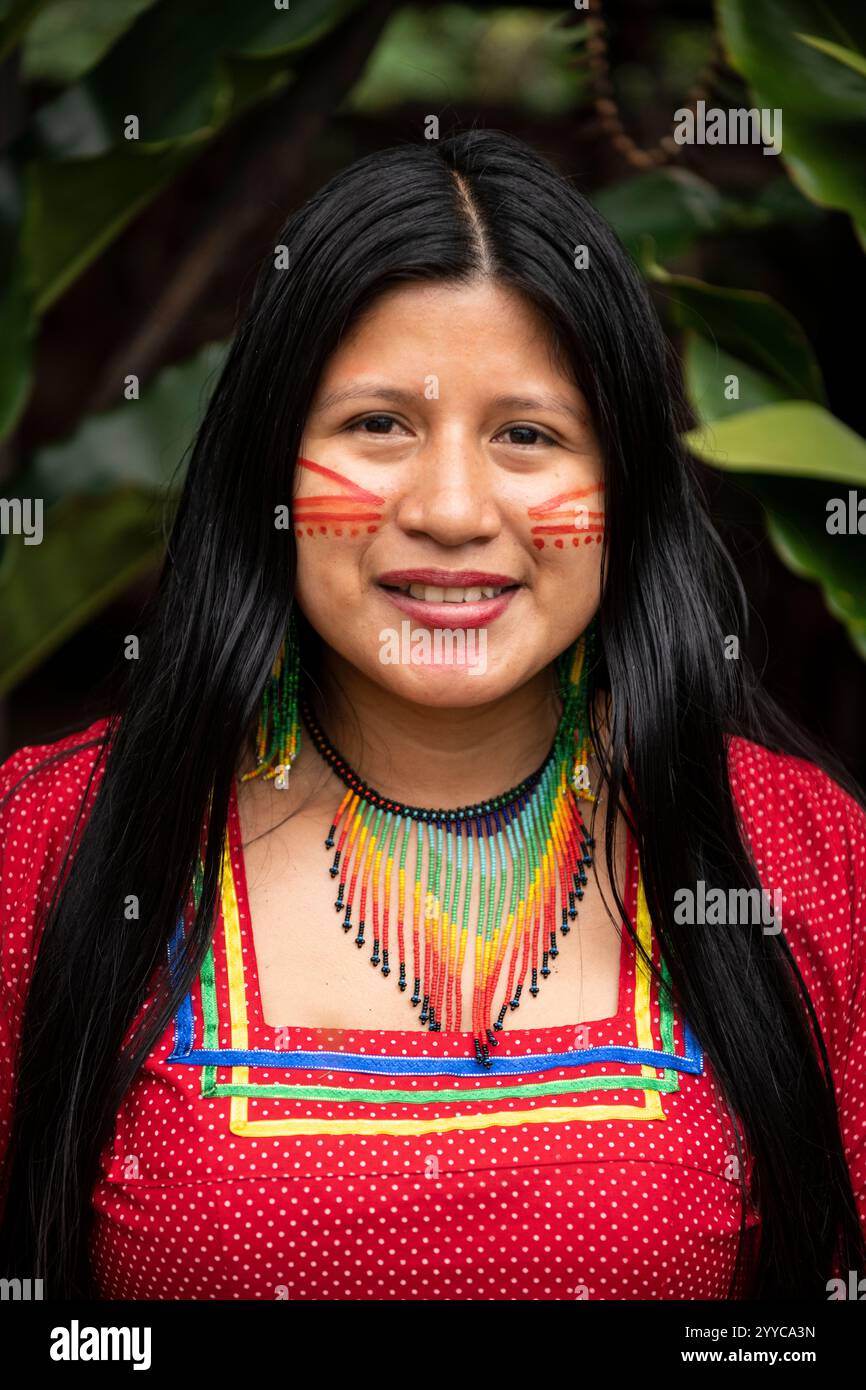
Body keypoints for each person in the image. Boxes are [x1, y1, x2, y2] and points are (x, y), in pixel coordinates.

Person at [1, 129, 864, 1301]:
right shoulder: (45, 849)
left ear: (622, 487)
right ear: (269, 469)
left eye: (526, 434)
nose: (452, 510)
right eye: (376, 426)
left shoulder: (802, 859)